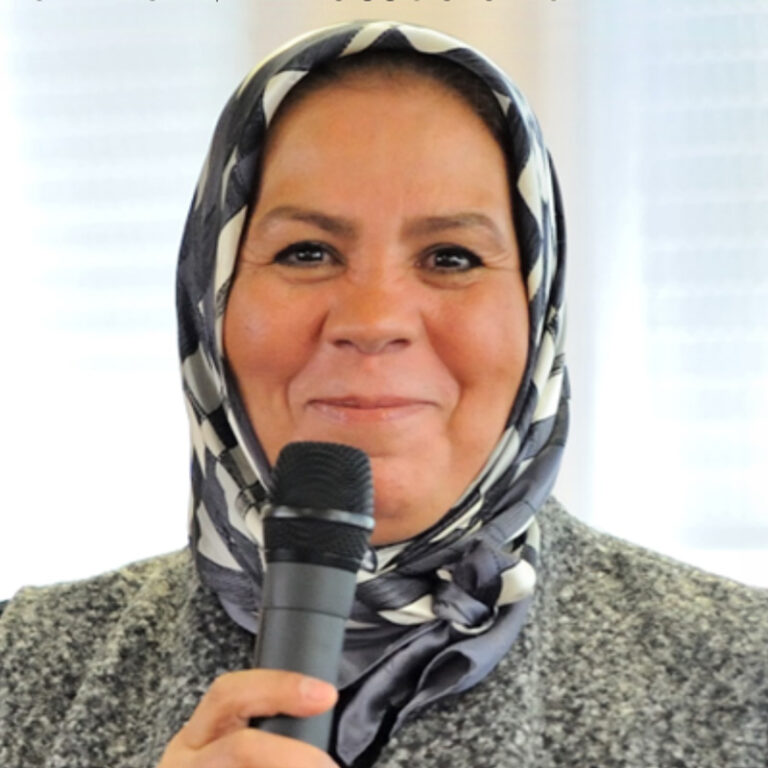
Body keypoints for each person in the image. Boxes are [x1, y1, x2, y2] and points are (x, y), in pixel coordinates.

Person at [0, 20, 766, 768]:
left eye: (451, 257)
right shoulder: (25, 666)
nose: (373, 321)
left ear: (539, 315)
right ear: (211, 297)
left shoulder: (741, 676)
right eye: (307, 252)